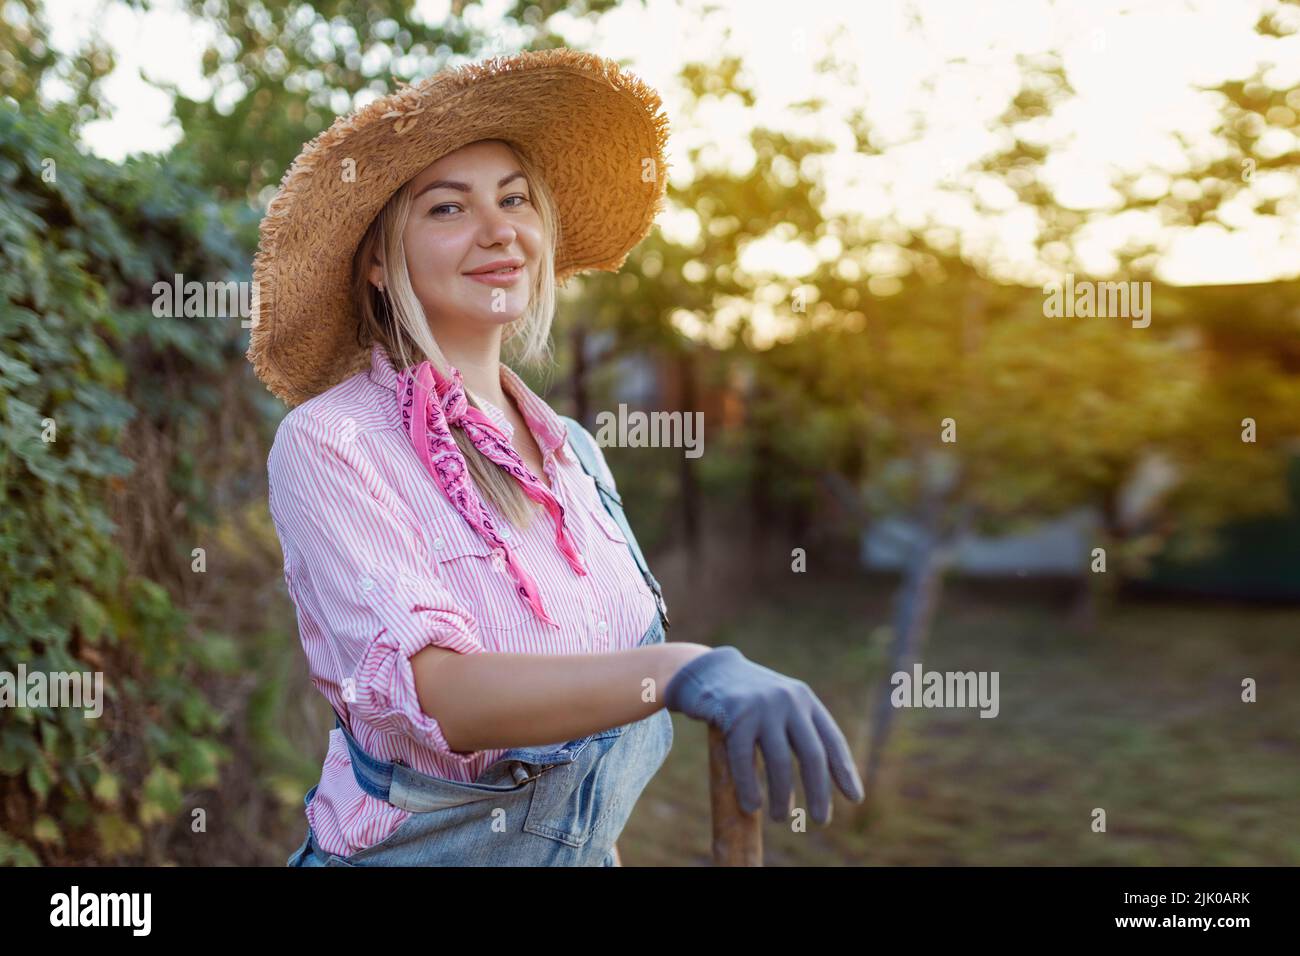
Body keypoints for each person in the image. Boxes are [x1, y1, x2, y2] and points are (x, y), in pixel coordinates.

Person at [246, 48, 864, 867]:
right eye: (446, 208)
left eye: (514, 198)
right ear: (375, 260)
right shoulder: (332, 441)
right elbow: (444, 697)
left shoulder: (573, 452)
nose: (500, 230)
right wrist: (679, 671)